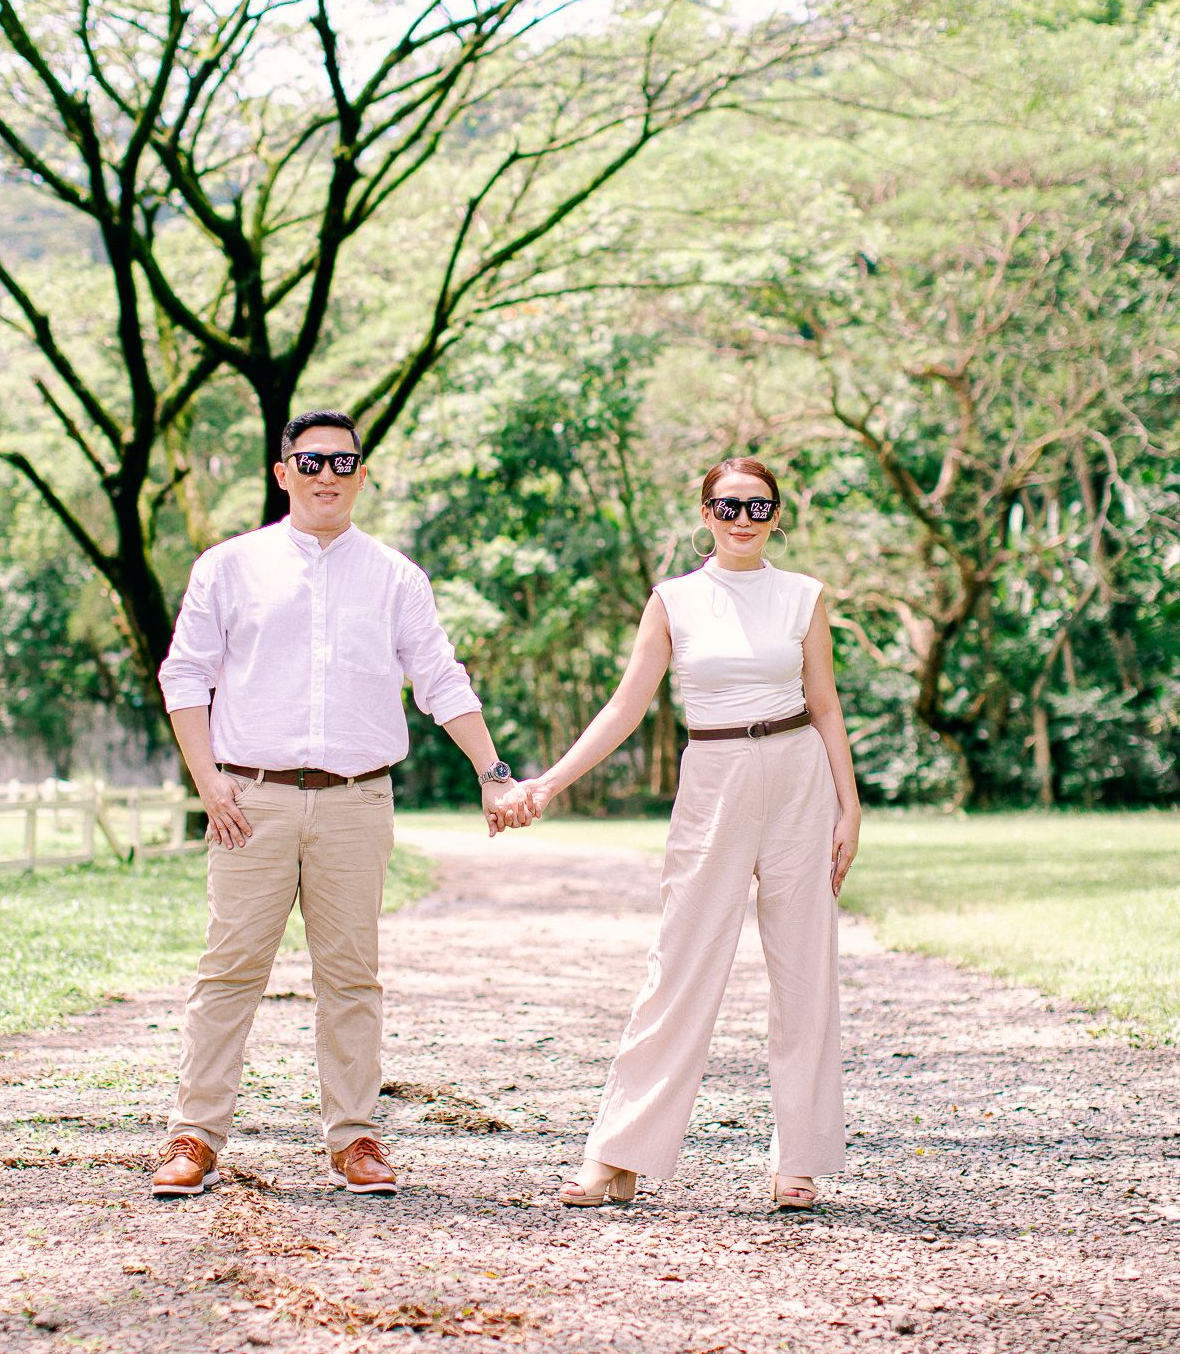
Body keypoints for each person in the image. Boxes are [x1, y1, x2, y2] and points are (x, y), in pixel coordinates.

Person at [152, 410, 531, 1200]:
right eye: (311, 460)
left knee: (351, 977)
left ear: (361, 475)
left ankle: (355, 1137)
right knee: (228, 971)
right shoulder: (228, 566)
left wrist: (491, 770)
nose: (328, 473)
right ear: (282, 471)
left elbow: (440, 680)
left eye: (343, 461)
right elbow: (184, 675)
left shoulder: (394, 577)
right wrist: (206, 780)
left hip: (358, 802)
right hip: (247, 800)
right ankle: (195, 1135)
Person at [522, 455, 861, 1212]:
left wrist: (849, 805)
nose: (743, 520)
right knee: (679, 966)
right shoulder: (673, 600)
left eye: (758, 507)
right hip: (712, 776)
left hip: (798, 774)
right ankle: (618, 1156)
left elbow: (825, 703)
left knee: (805, 971)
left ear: (777, 515)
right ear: (704, 513)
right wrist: (549, 782)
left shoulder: (802, 596)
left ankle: (796, 1159)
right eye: (728, 506)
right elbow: (623, 708)